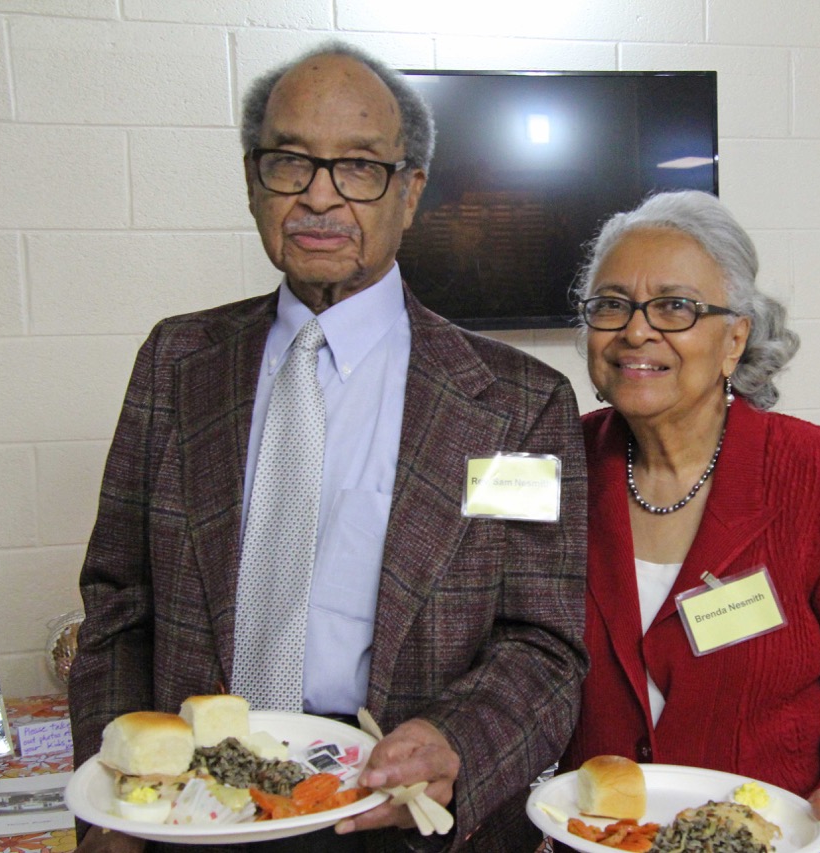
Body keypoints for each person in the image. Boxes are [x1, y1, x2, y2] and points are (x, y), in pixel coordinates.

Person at [67, 40, 587, 853]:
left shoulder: (515, 403)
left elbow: (544, 641)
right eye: (290, 162)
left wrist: (457, 740)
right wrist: (109, 804)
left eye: (359, 167)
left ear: (409, 193)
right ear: (251, 181)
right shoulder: (176, 362)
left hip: (399, 811)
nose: (320, 195)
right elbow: (119, 605)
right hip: (194, 811)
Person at [560, 191, 820, 853]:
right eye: (612, 304)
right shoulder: (556, 470)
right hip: (602, 839)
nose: (636, 331)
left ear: (735, 337)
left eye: (675, 306)